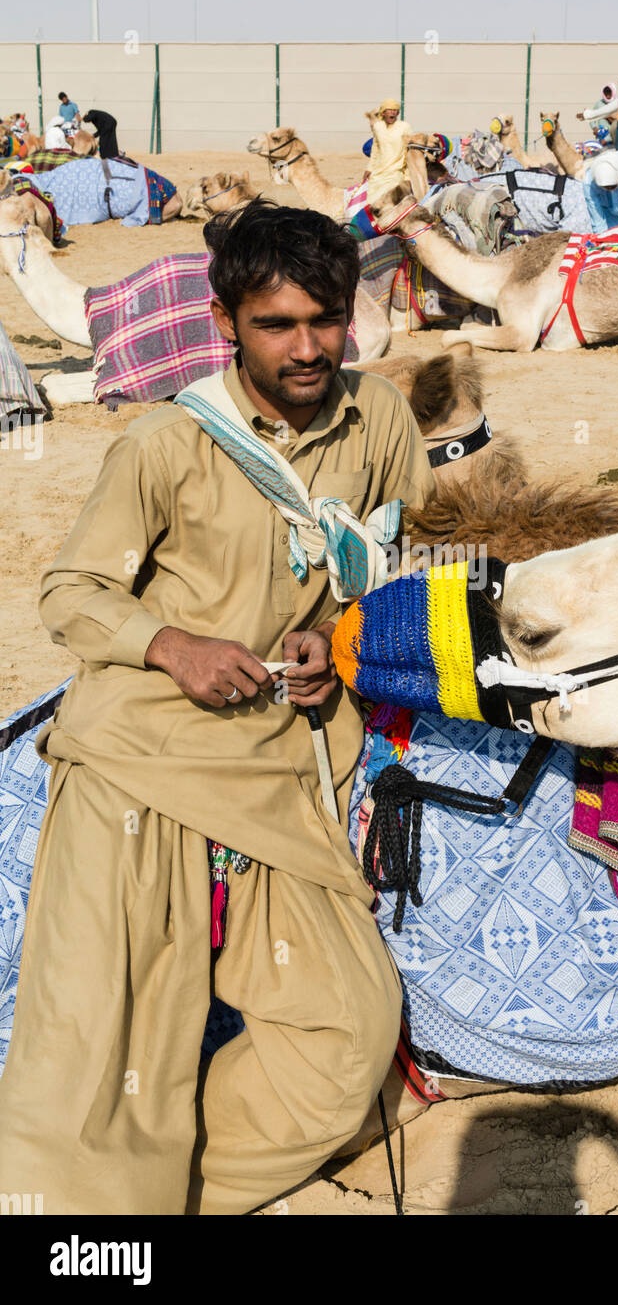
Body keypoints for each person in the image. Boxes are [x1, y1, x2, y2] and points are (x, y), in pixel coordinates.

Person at [0, 200, 436, 1215]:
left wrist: (341, 644)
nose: (306, 347)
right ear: (226, 319)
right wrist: (172, 644)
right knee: (104, 1054)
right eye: (277, 324)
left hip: (282, 767)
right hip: (140, 760)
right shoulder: (163, 445)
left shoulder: (378, 420)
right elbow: (69, 593)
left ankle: (167, 1197)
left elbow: (407, 568)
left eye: (325, 319)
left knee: (346, 1036)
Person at [363, 98, 413, 205]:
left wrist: (407, 176)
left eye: (395, 110)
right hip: (378, 172)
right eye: (389, 110)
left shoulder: (404, 127)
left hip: (396, 172)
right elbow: (375, 150)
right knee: (372, 202)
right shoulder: (378, 127)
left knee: (388, 203)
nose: (392, 112)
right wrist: (369, 168)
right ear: (383, 112)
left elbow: (409, 152)